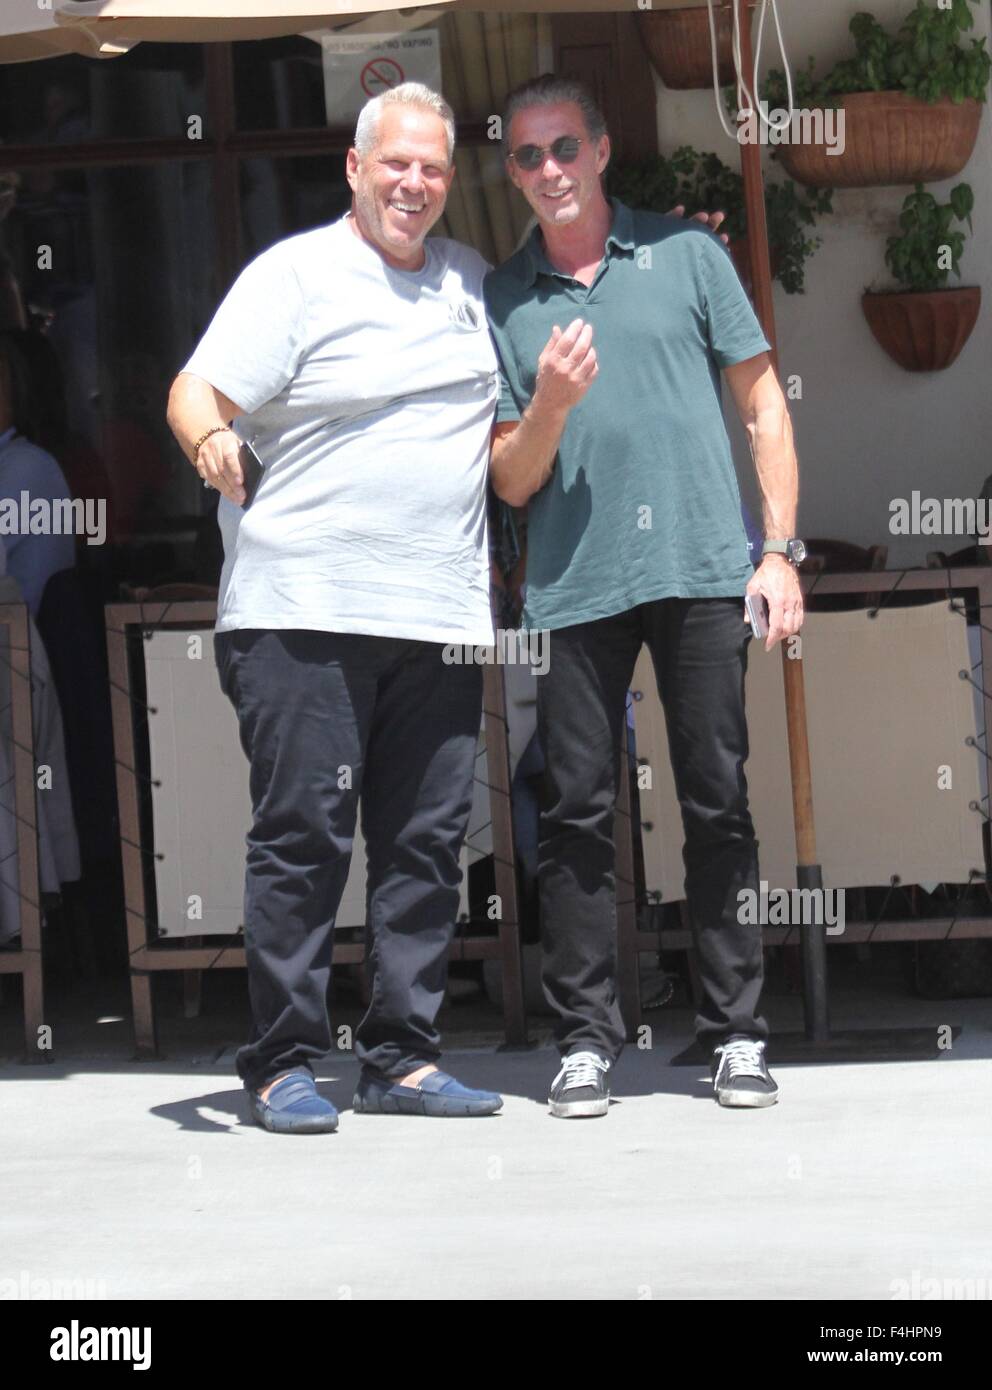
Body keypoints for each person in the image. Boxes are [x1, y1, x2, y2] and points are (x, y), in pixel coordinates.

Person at [166, 85, 505, 1133]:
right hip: (301, 604)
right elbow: (194, 389)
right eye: (394, 163)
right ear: (353, 170)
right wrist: (210, 445)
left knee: (421, 839)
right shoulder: (296, 275)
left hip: (437, 612)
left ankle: (402, 1057)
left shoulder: (472, 282)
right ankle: (280, 1062)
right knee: (305, 835)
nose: (414, 182)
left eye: (433, 168)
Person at [484, 75, 805, 1116]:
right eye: (526, 157)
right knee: (574, 813)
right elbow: (510, 479)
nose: (548, 172)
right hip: (576, 585)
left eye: (562, 148)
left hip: (703, 566)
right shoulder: (502, 298)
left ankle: (735, 1029)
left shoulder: (687, 255)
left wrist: (778, 550)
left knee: (716, 800)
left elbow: (761, 404)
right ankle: (584, 1038)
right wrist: (550, 404)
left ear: (602, 147)